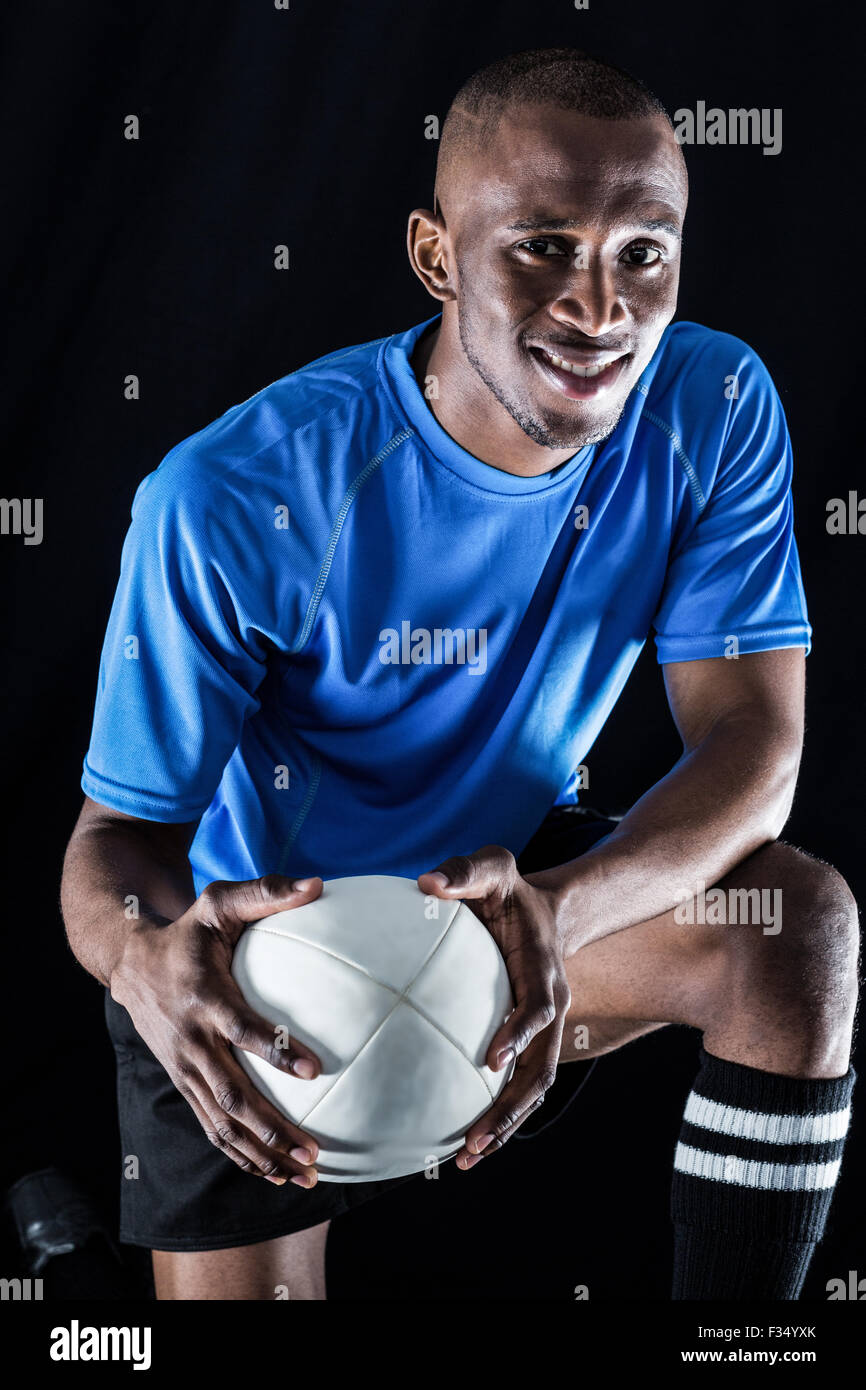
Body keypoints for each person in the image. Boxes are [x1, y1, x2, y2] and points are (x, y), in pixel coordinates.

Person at [61, 47, 857, 1301]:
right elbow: (112, 846)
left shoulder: (711, 403)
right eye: (541, 245)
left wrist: (563, 907)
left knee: (794, 932)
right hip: (261, 976)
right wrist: (143, 964)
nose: (602, 306)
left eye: (641, 250)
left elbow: (754, 747)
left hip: (506, 913)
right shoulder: (232, 495)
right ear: (437, 257)